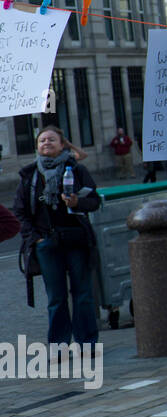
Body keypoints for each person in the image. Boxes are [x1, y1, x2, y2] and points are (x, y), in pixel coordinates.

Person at [13, 125, 102, 342]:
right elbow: (20, 212)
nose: (46, 143)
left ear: (62, 145)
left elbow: (94, 201)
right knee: (56, 298)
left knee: (83, 295)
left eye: (52, 139)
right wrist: (35, 238)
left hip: (76, 239)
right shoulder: (30, 175)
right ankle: (59, 344)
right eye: (42, 140)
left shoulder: (76, 170)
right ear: (37, 146)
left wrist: (77, 202)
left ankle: (87, 342)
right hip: (47, 243)